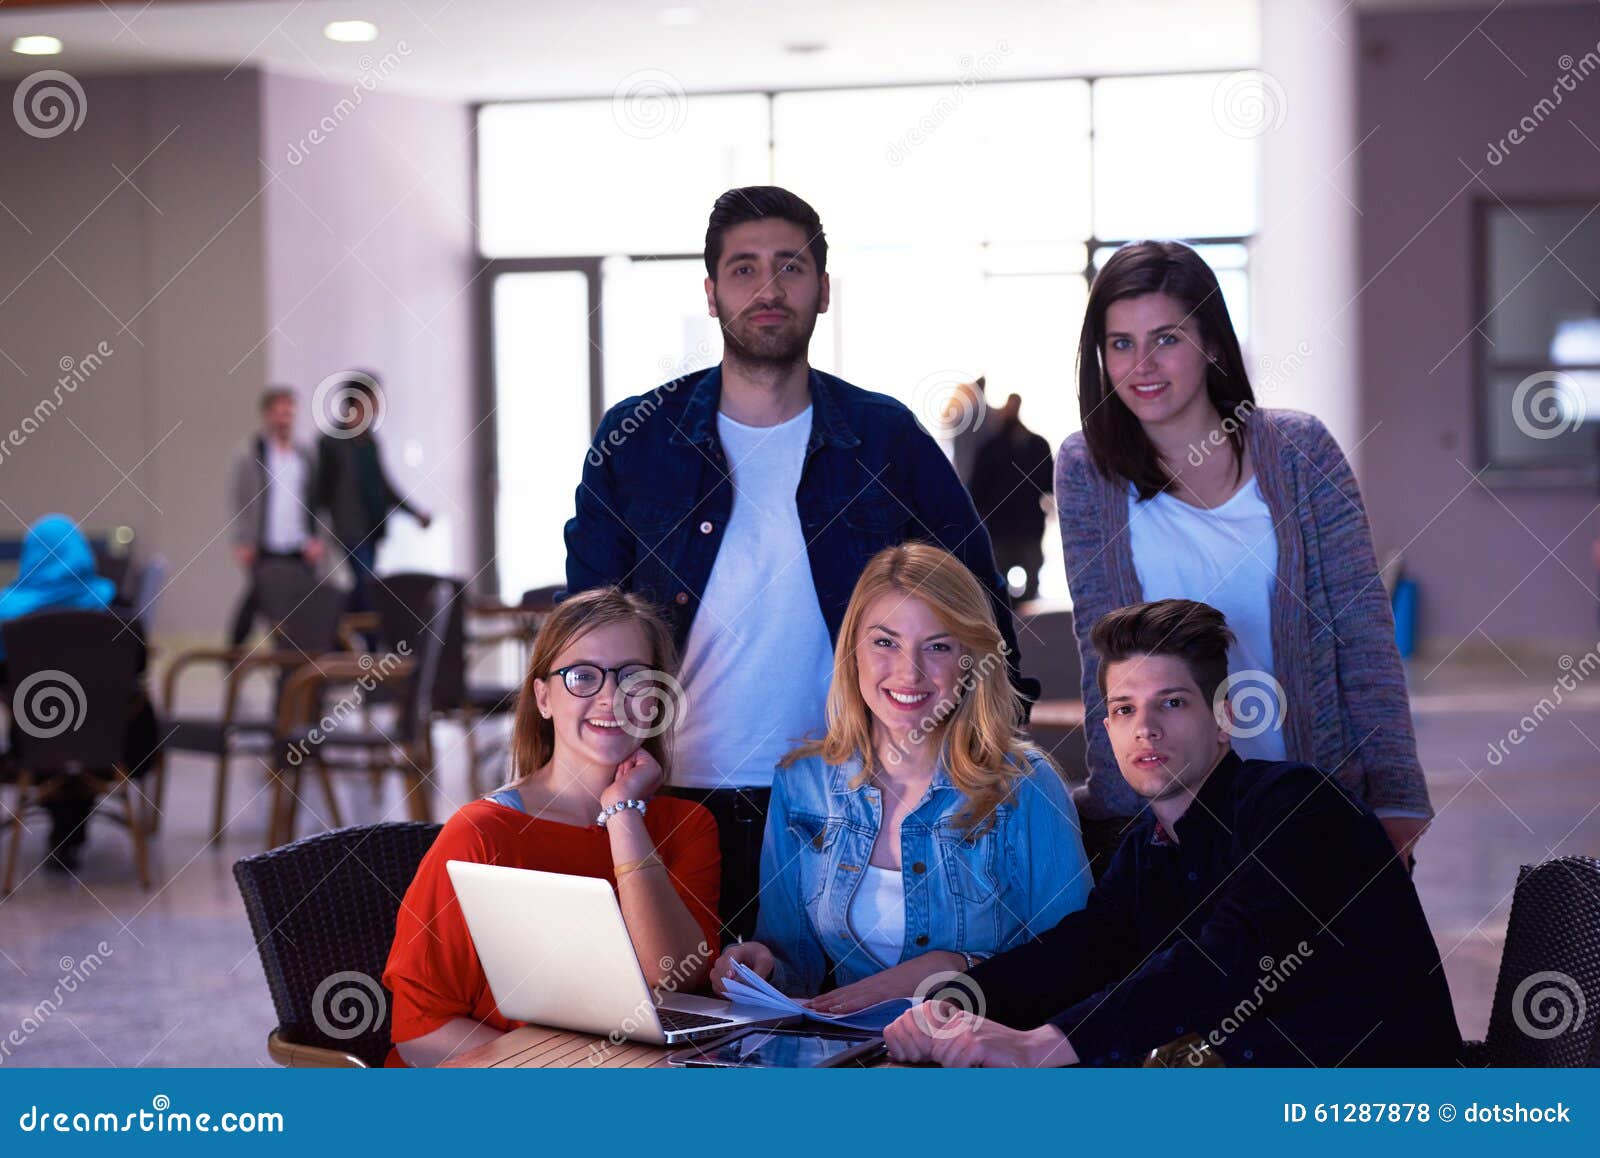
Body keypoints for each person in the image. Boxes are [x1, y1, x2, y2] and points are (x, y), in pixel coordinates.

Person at [564, 186, 1034, 943]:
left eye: (791, 267)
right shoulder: (638, 438)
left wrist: (991, 749)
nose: (769, 289)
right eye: (744, 270)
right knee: (676, 1026)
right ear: (712, 294)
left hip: (848, 800)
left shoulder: (885, 439)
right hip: (667, 793)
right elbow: (583, 627)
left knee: (814, 1023)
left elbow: (976, 609)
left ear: (821, 288)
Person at [883, 599, 1461, 1068]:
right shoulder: (1148, 845)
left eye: (1173, 703)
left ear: (1225, 718)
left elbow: (1225, 961)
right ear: (1106, 727)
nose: (1146, 729)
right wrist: (948, 1004)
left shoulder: (1299, 807)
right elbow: (1085, 951)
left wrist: (1044, 1044)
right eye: (1125, 709)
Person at [1055, 240, 1430, 872]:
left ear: (1212, 343)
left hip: (1312, 798)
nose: (1142, 364)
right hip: (1175, 817)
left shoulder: (1298, 450)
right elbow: (1107, 661)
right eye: (1120, 343)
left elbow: (1365, 638)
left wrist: (1396, 796)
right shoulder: (1088, 471)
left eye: (1166, 338)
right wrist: (1123, 808)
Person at [708, 544, 1090, 1009]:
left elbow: (1073, 967)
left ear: (970, 661)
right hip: (850, 1058)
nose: (909, 673)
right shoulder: (801, 783)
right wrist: (760, 963)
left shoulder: (1028, 786)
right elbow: (797, 971)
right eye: (885, 642)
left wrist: (954, 970)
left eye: (938, 647)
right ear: (854, 651)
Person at [383, 587, 721, 1067]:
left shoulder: (688, 826)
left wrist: (624, 813)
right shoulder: (481, 833)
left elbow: (669, 977)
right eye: (583, 676)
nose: (610, 697)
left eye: (633, 678)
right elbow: (419, 1029)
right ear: (543, 697)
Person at [0, 515, 161, 872]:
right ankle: (72, 830)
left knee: (48, 725)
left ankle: (63, 830)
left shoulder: (6, 614)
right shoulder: (115, 607)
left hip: (34, 745)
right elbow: (139, 668)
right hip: (110, 749)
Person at [310, 371, 431, 623]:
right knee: (367, 587)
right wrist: (313, 534)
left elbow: (385, 488)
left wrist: (414, 513)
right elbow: (318, 492)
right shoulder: (331, 442)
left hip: (372, 528)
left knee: (363, 588)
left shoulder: (369, 442)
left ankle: (336, 630)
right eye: (373, 398)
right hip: (348, 531)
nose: (377, 405)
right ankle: (375, 645)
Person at [227, 386, 324, 646]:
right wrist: (243, 540)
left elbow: (315, 500)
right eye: (278, 413)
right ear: (267, 415)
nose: (284, 419)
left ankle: (293, 663)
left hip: (298, 545)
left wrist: (316, 538)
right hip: (264, 545)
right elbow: (241, 500)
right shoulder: (252, 455)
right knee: (259, 600)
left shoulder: (304, 455)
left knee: (299, 605)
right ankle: (233, 656)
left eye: (288, 413)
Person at [970, 392, 1053, 603]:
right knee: (1000, 583)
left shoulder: (1035, 445)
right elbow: (978, 488)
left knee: (1028, 579)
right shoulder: (993, 448)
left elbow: (1049, 483)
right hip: (1005, 527)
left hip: (1024, 525)